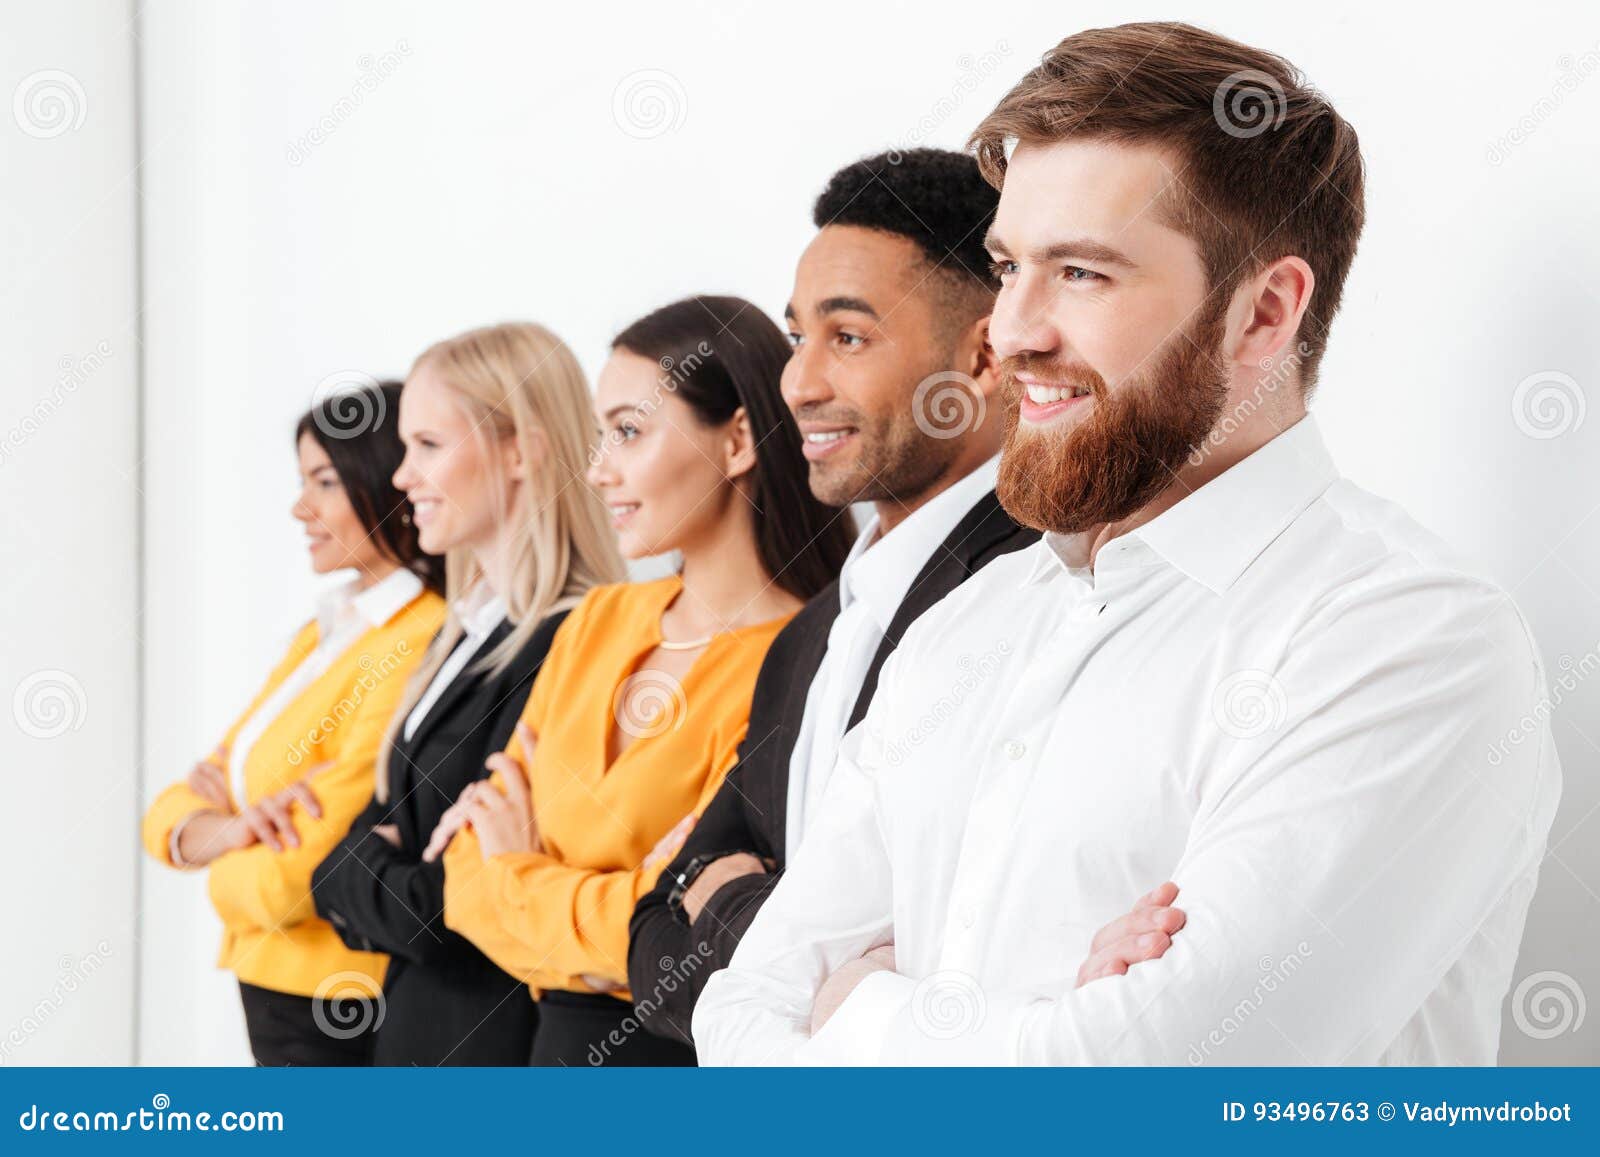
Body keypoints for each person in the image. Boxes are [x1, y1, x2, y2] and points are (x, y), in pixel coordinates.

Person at [692, 21, 1562, 1066]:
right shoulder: (962, 629)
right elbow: (735, 1020)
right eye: (1010, 266)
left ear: (1262, 313)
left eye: (1083, 275)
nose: (1011, 331)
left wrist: (859, 1006)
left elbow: (1162, 1081)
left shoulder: (1407, 641)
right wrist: (1044, 1015)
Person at [627, 149, 1037, 1049]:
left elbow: (959, 958)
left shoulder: (1044, 594)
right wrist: (804, 973)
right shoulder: (812, 633)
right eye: (795, 333)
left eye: (846, 337)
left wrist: (730, 900)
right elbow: (654, 940)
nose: (797, 382)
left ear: (981, 356)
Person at [428, 296, 854, 1065]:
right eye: (600, 436)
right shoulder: (598, 621)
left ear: (737, 441)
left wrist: (517, 870)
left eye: (627, 430)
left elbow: (705, 944)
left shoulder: (802, 661)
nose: (596, 470)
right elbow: (462, 881)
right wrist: (627, 907)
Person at [311, 324, 625, 1065]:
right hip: (420, 1035)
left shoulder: (576, 638)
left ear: (521, 449)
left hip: (493, 1045)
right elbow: (334, 867)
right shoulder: (460, 636)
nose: (400, 476)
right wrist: (367, 870)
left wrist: (365, 872)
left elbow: (460, 905)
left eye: (428, 444)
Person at [141, 379, 446, 1066]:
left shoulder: (420, 637)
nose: (299, 507)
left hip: (335, 990)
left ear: (386, 480)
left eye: (325, 482)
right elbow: (195, 784)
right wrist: (230, 827)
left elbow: (313, 863)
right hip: (274, 982)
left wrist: (210, 855)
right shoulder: (325, 630)